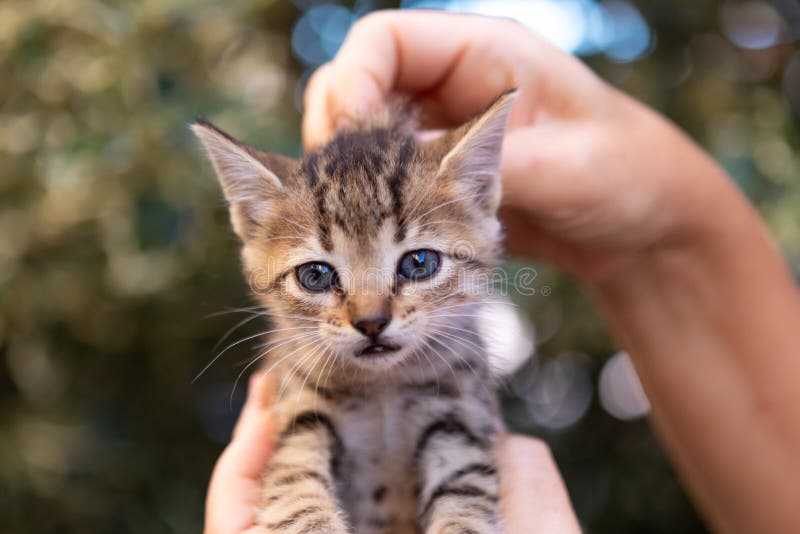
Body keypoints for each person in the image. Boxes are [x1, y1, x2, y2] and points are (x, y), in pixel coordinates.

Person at [204, 11, 800, 534]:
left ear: (481, 195)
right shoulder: (306, 366)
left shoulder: (452, 351)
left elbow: (464, 482)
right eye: (316, 276)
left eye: (417, 263)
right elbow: (295, 476)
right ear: (254, 230)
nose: (369, 315)